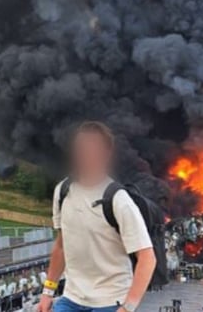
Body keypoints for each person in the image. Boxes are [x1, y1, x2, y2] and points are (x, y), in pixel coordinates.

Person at [39, 121, 156, 312]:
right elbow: (61, 246)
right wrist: (47, 292)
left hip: (110, 302)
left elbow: (147, 257)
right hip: (71, 298)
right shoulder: (63, 191)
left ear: (106, 154)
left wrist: (128, 307)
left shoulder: (118, 200)